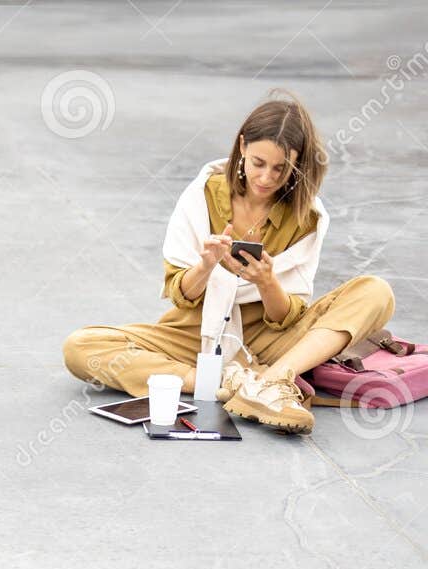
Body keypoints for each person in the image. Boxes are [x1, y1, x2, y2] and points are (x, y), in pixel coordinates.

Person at [62, 92, 395, 434]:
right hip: (196, 330)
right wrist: (205, 266)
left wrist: (267, 282)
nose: (266, 178)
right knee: (80, 346)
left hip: (269, 339)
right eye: (258, 163)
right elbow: (180, 295)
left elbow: (286, 318)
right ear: (242, 148)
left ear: (297, 165)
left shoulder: (306, 217)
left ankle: (270, 381)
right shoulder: (202, 194)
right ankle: (224, 382)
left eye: (281, 168)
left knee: (375, 291)